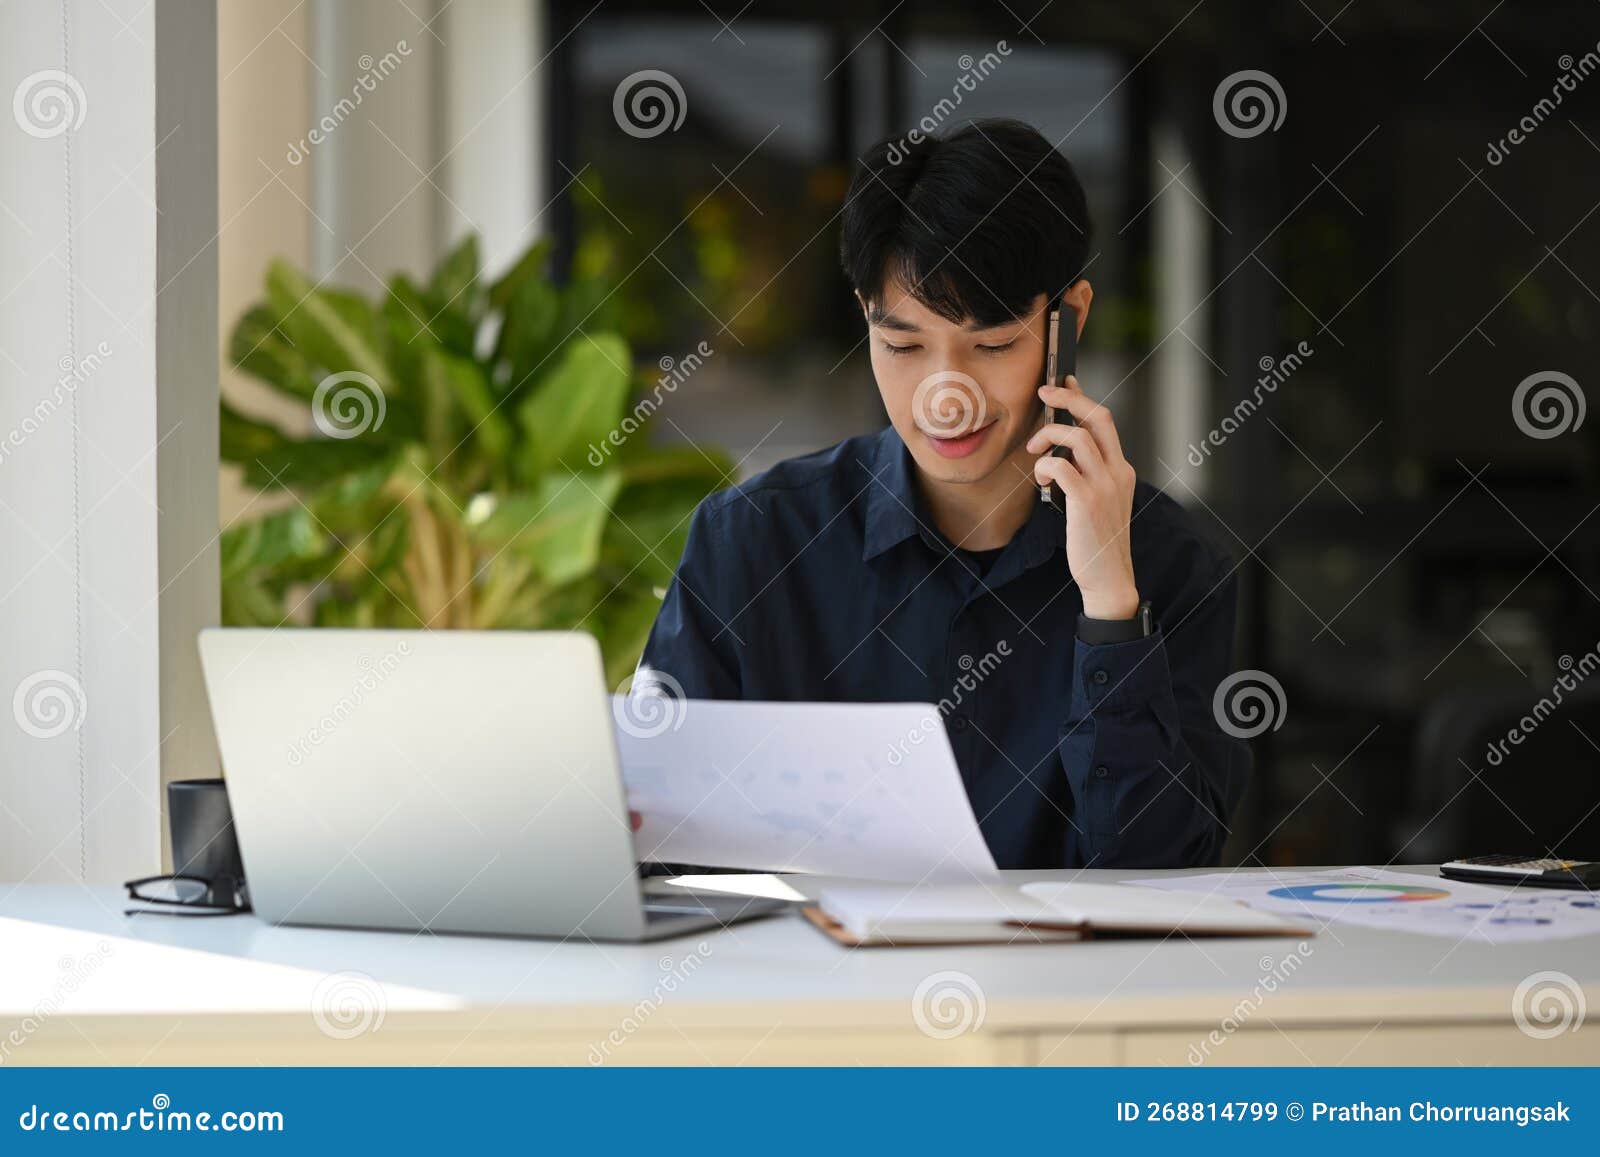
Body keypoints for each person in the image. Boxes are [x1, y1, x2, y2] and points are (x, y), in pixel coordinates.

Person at [638, 119, 1248, 869]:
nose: (944, 395)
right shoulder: (754, 544)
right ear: (866, 316)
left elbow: (1164, 878)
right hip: (815, 983)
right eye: (903, 346)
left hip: (1063, 988)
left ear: (1069, 322)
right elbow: (666, 851)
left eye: (991, 345)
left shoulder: (1170, 564)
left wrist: (1112, 612)